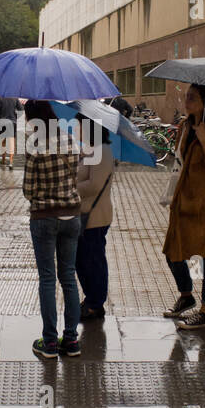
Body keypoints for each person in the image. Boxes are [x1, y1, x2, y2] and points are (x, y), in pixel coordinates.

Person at [162, 84, 205, 330]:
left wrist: (204, 141)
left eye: (192, 97)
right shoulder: (185, 125)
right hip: (182, 200)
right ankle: (186, 295)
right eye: (187, 96)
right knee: (174, 253)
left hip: (204, 202)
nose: (187, 100)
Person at [22, 100, 83, 354]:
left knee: (47, 278)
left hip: (44, 217)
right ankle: (70, 340)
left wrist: (41, 193)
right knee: (68, 276)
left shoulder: (35, 145)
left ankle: (49, 342)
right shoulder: (71, 141)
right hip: (72, 216)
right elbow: (74, 176)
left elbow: (28, 190)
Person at [75, 116, 116, 322]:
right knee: (81, 259)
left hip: (96, 217)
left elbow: (94, 185)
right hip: (84, 215)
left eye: (79, 125)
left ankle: (96, 304)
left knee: (93, 260)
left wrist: (70, 189)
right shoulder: (91, 149)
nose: (76, 128)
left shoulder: (103, 151)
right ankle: (90, 297)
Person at [0, 96, 20, 172]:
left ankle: (3, 160)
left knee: (3, 142)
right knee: (12, 142)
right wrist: (15, 117)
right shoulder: (15, 98)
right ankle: (11, 162)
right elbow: (21, 109)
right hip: (13, 122)